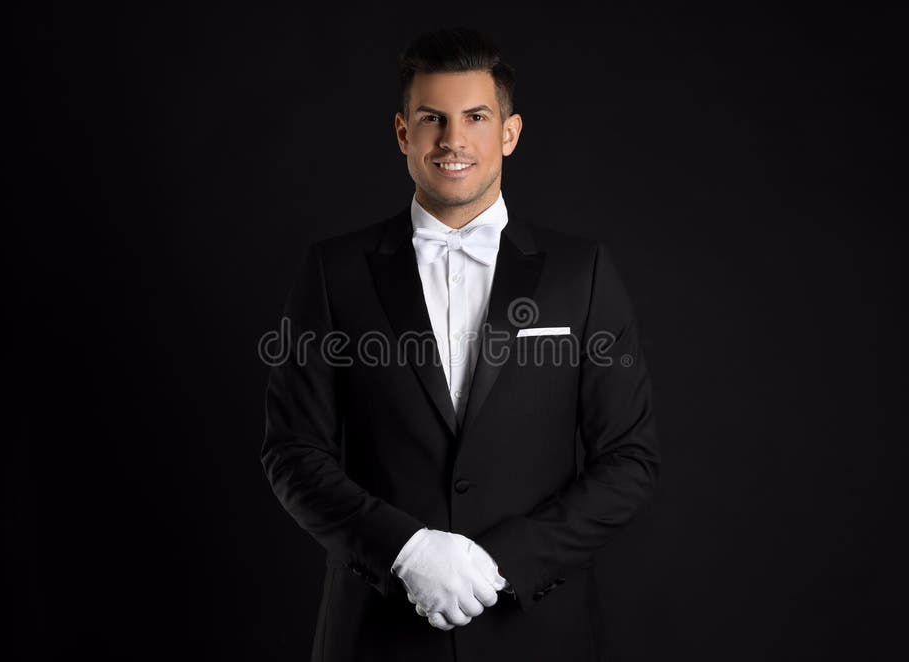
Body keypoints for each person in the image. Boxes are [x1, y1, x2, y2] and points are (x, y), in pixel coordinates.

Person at [261, 26, 660, 662]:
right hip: (377, 634)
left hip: (536, 634)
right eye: (432, 119)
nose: (453, 140)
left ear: (510, 132)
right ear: (403, 133)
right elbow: (293, 452)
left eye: (475, 117)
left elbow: (629, 459)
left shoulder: (580, 272)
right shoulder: (333, 273)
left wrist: (502, 562)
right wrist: (407, 552)